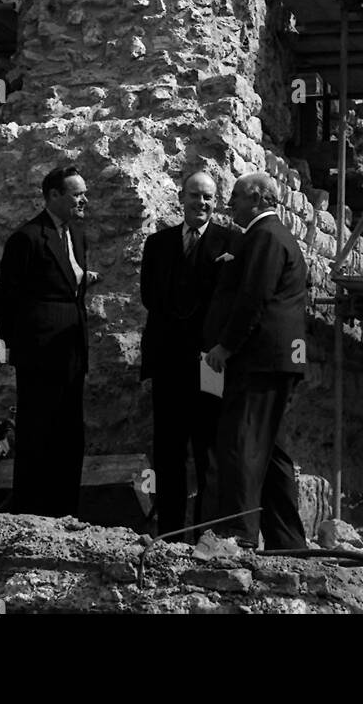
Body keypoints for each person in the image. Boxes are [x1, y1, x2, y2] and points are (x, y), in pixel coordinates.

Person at [203, 171, 308, 551]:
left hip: (260, 360)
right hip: (279, 360)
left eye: (236, 196)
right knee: (272, 452)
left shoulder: (264, 236)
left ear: (260, 199)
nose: (230, 203)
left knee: (242, 440)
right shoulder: (278, 236)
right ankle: (290, 542)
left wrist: (225, 346)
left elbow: (254, 297)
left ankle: (238, 534)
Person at [0, 164, 95, 516]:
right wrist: (16, 346)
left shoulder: (77, 236)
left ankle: (65, 508)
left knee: (69, 431)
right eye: (76, 193)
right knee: (38, 429)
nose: (84, 199)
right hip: (40, 353)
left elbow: (68, 286)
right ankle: (32, 510)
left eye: (84, 193)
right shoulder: (28, 237)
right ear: (54, 196)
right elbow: (5, 297)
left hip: (71, 348)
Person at [139, 170, 237, 538]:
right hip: (167, 363)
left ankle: (205, 534)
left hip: (208, 365)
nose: (202, 203)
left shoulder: (230, 243)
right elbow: (150, 296)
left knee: (207, 450)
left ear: (217, 202)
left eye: (209, 198)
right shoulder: (158, 244)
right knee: (168, 451)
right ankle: (170, 533)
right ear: (182, 198)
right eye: (196, 196)